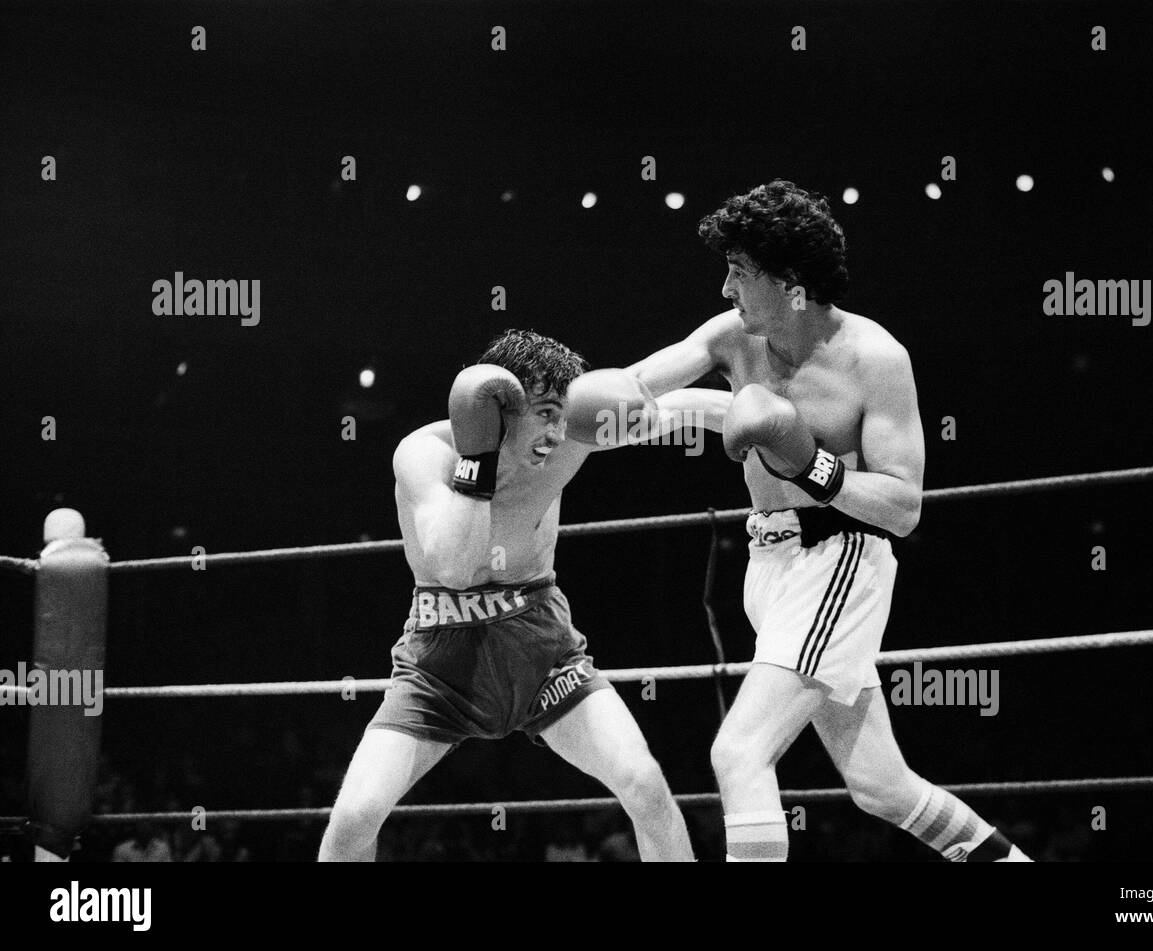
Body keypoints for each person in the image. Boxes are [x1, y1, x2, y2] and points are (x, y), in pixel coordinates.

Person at [627, 180, 1031, 862]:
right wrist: (558, 406)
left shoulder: (875, 359)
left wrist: (816, 468)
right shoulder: (734, 337)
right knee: (882, 785)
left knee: (741, 750)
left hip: (838, 562)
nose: (725, 288)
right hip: (769, 568)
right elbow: (639, 383)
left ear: (792, 288)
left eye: (739, 272)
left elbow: (904, 508)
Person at [320, 329, 725, 862]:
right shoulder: (424, 453)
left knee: (644, 783)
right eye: (546, 413)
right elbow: (456, 569)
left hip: (544, 651)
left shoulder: (573, 437)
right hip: (441, 663)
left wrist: (776, 418)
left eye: (565, 416)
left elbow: (669, 400)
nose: (558, 433)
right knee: (354, 817)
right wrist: (478, 457)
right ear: (502, 405)